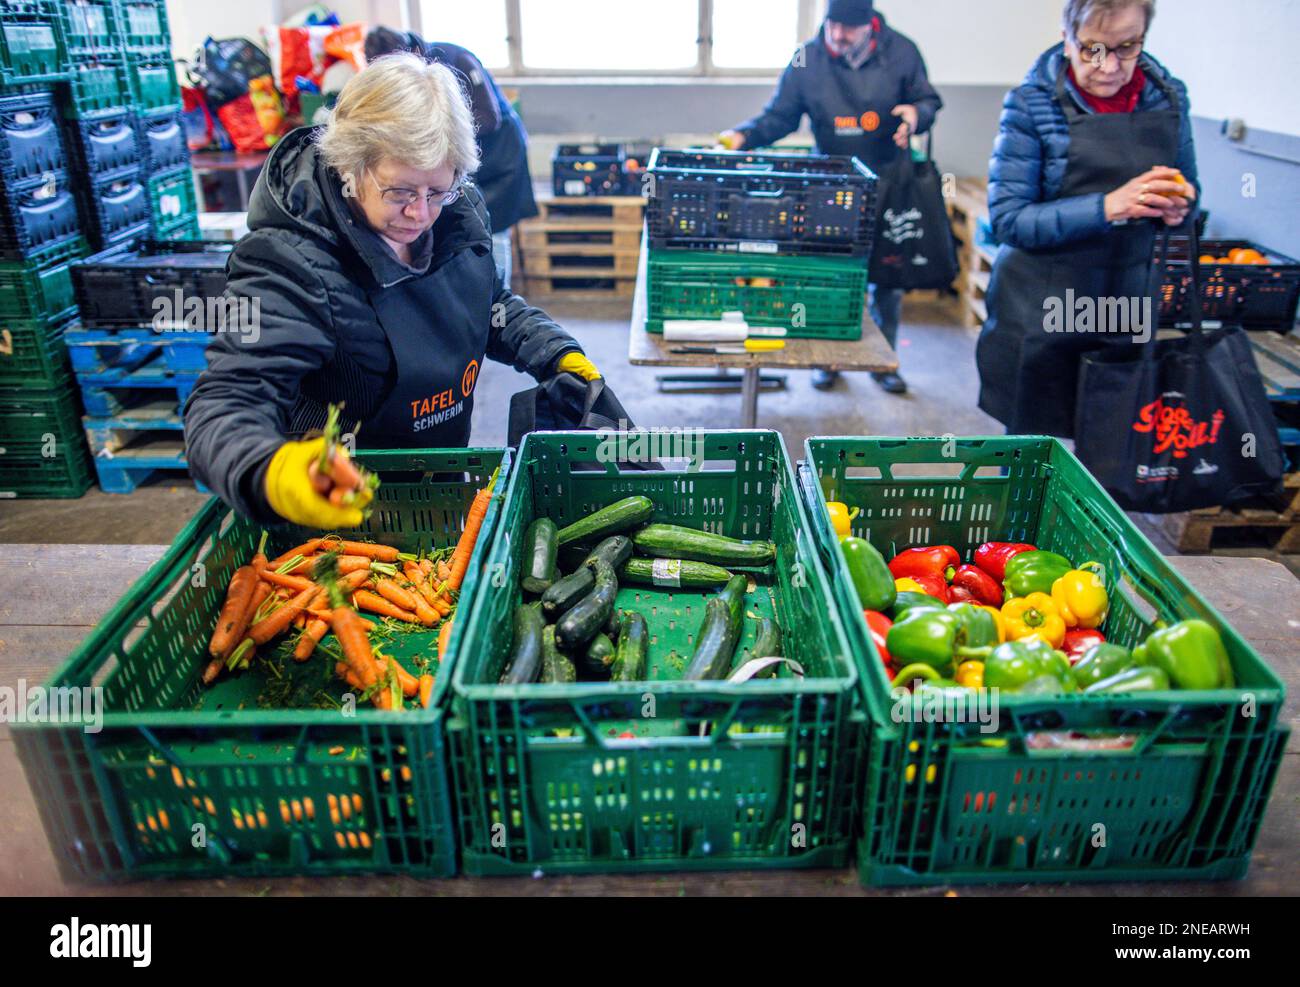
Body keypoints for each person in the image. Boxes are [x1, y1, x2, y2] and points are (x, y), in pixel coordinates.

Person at [185, 54, 601, 529]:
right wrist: (272, 473)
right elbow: (225, 401)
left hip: (438, 478)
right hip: (336, 505)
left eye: (436, 191)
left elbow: (487, 305)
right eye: (400, 192)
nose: (420, 213)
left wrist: (553, 351)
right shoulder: (289, 260)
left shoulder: (457, 212)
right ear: (351, 166)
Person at [976, 0, 1197, 436]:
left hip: (1124, 305)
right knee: (1028, 451)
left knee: (1110, 442)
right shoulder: (1031, 103)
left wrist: (1179, 207)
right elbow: (1009, 219)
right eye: (1093, 48)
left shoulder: (1169, 97)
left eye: (1127, 47)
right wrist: (1107, 207)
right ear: (1067, 37)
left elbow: (1190, 187)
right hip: (1042, 307)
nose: (1110, 66)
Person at [719, 0, 942, 394]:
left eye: (848, 28)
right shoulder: (808, 59)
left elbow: (928, 101)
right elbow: (780, 116)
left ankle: (884, 360)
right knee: (829, 274)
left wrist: (915, 115)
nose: (838, 35)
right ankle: (827, 358)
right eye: (832, 25)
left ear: (869, 25)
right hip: (832, 183)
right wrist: (745, 134)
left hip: (888, 178)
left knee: (886, 277)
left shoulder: (902, 51)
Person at [365, 26, 537, 289]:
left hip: (501, 155)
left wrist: (436, 125)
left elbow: (489, 116)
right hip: (466, 162)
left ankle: (497, 295)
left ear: (407, 52)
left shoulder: (456, 59)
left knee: (493, 227)